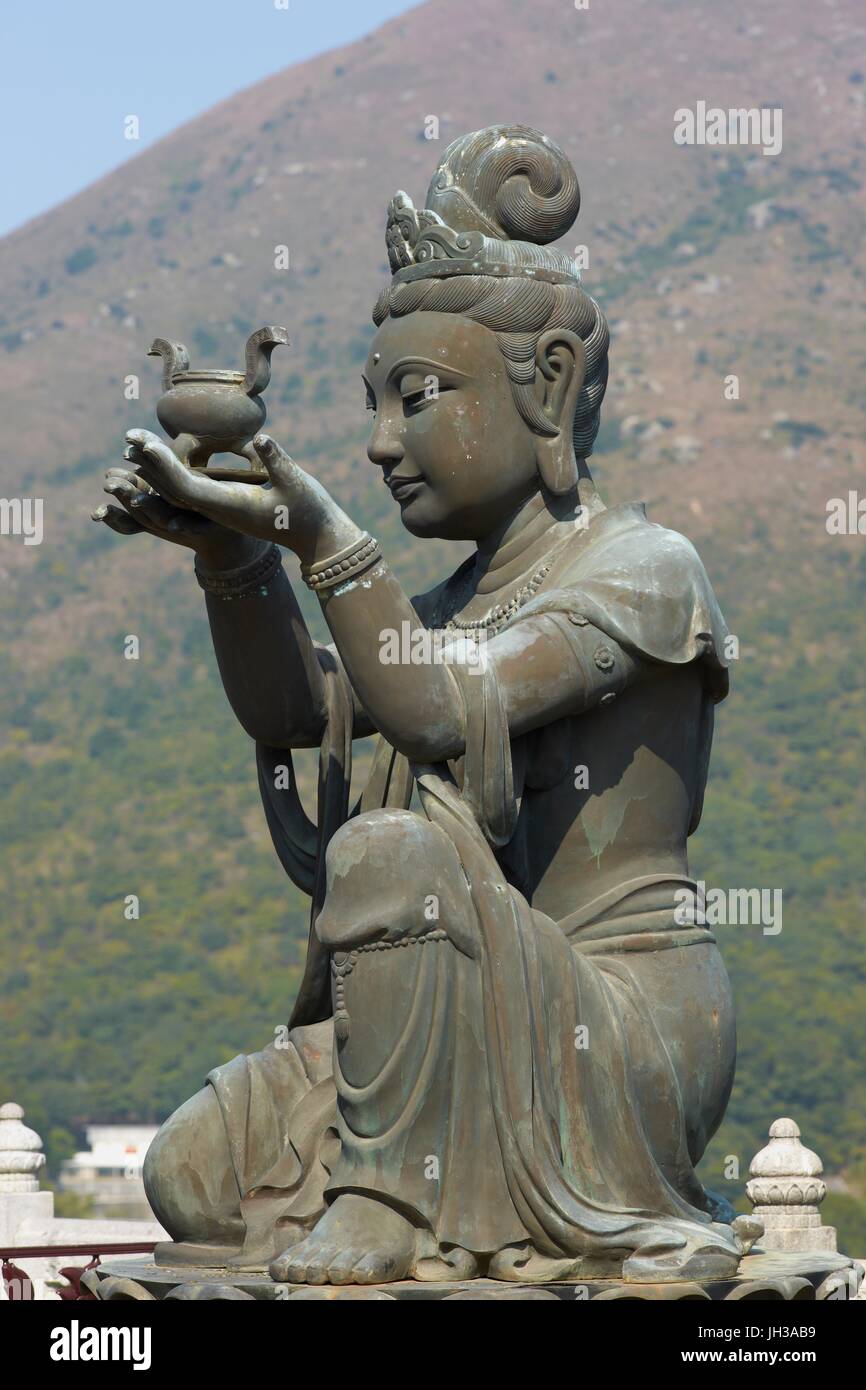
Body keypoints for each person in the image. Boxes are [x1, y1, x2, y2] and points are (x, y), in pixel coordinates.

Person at [95, 125, 746, 1286]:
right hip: (444, 1001)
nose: (379, 442)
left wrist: (317, 532)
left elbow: (442, 716)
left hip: (609, 1021)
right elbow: (301, 713)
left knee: (389, 850)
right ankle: (384, 1182)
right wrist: (230, 562)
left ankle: (395, 1199)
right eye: (371, 404)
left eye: (416, 397)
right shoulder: (437, 604)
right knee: (195, 1174)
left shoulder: (642, 569)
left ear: (544, 384)